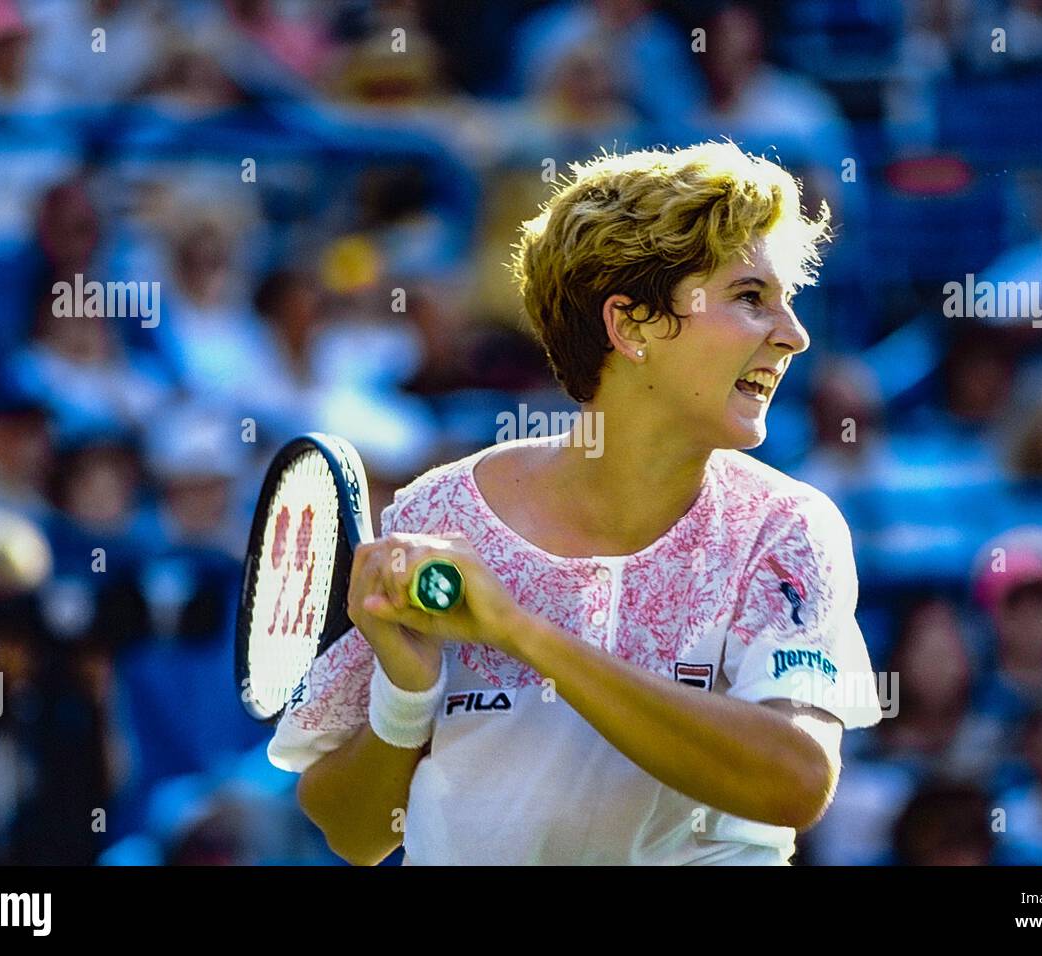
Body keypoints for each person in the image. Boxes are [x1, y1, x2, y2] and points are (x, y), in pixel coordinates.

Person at [271, 141, 884, 865]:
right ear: (631, 325)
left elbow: (796, 780)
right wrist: (406, 699)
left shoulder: (784, 529)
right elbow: (357, 835)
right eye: (751, 297)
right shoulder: (439, 513)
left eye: (786, 301)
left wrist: (522, 633)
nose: (794, 334)